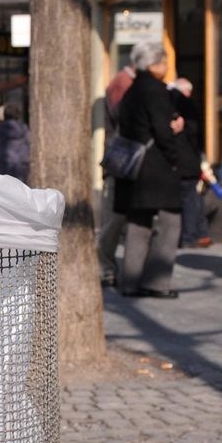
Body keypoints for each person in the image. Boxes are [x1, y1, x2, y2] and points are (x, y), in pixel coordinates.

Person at [114, 41, 186, 298]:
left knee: (138, 223)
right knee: (170, 222)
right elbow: (162, 129)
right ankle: (156, 282)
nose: (166, 66)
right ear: (154, 64)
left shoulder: (132, 90)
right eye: (164, 61)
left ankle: (130, 281)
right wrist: (175, 152)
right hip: (157, 167)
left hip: (135, 167)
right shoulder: (156, 90)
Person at [96, 61, 137, 286]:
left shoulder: (125, 81)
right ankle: (106, 266)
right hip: (121, 161)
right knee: (114, 218)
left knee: (117, 217)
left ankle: (109, 266)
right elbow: (125, 120)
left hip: (123, 161)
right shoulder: (123, 83)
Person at [169, 77, 211, 248]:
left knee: (189, 200)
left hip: (180, 162)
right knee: (191, 200)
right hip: (187, 162)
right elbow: (195, 136)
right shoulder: (185, 107)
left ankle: (191, 235)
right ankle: (193, 235)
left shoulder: (175, 108)